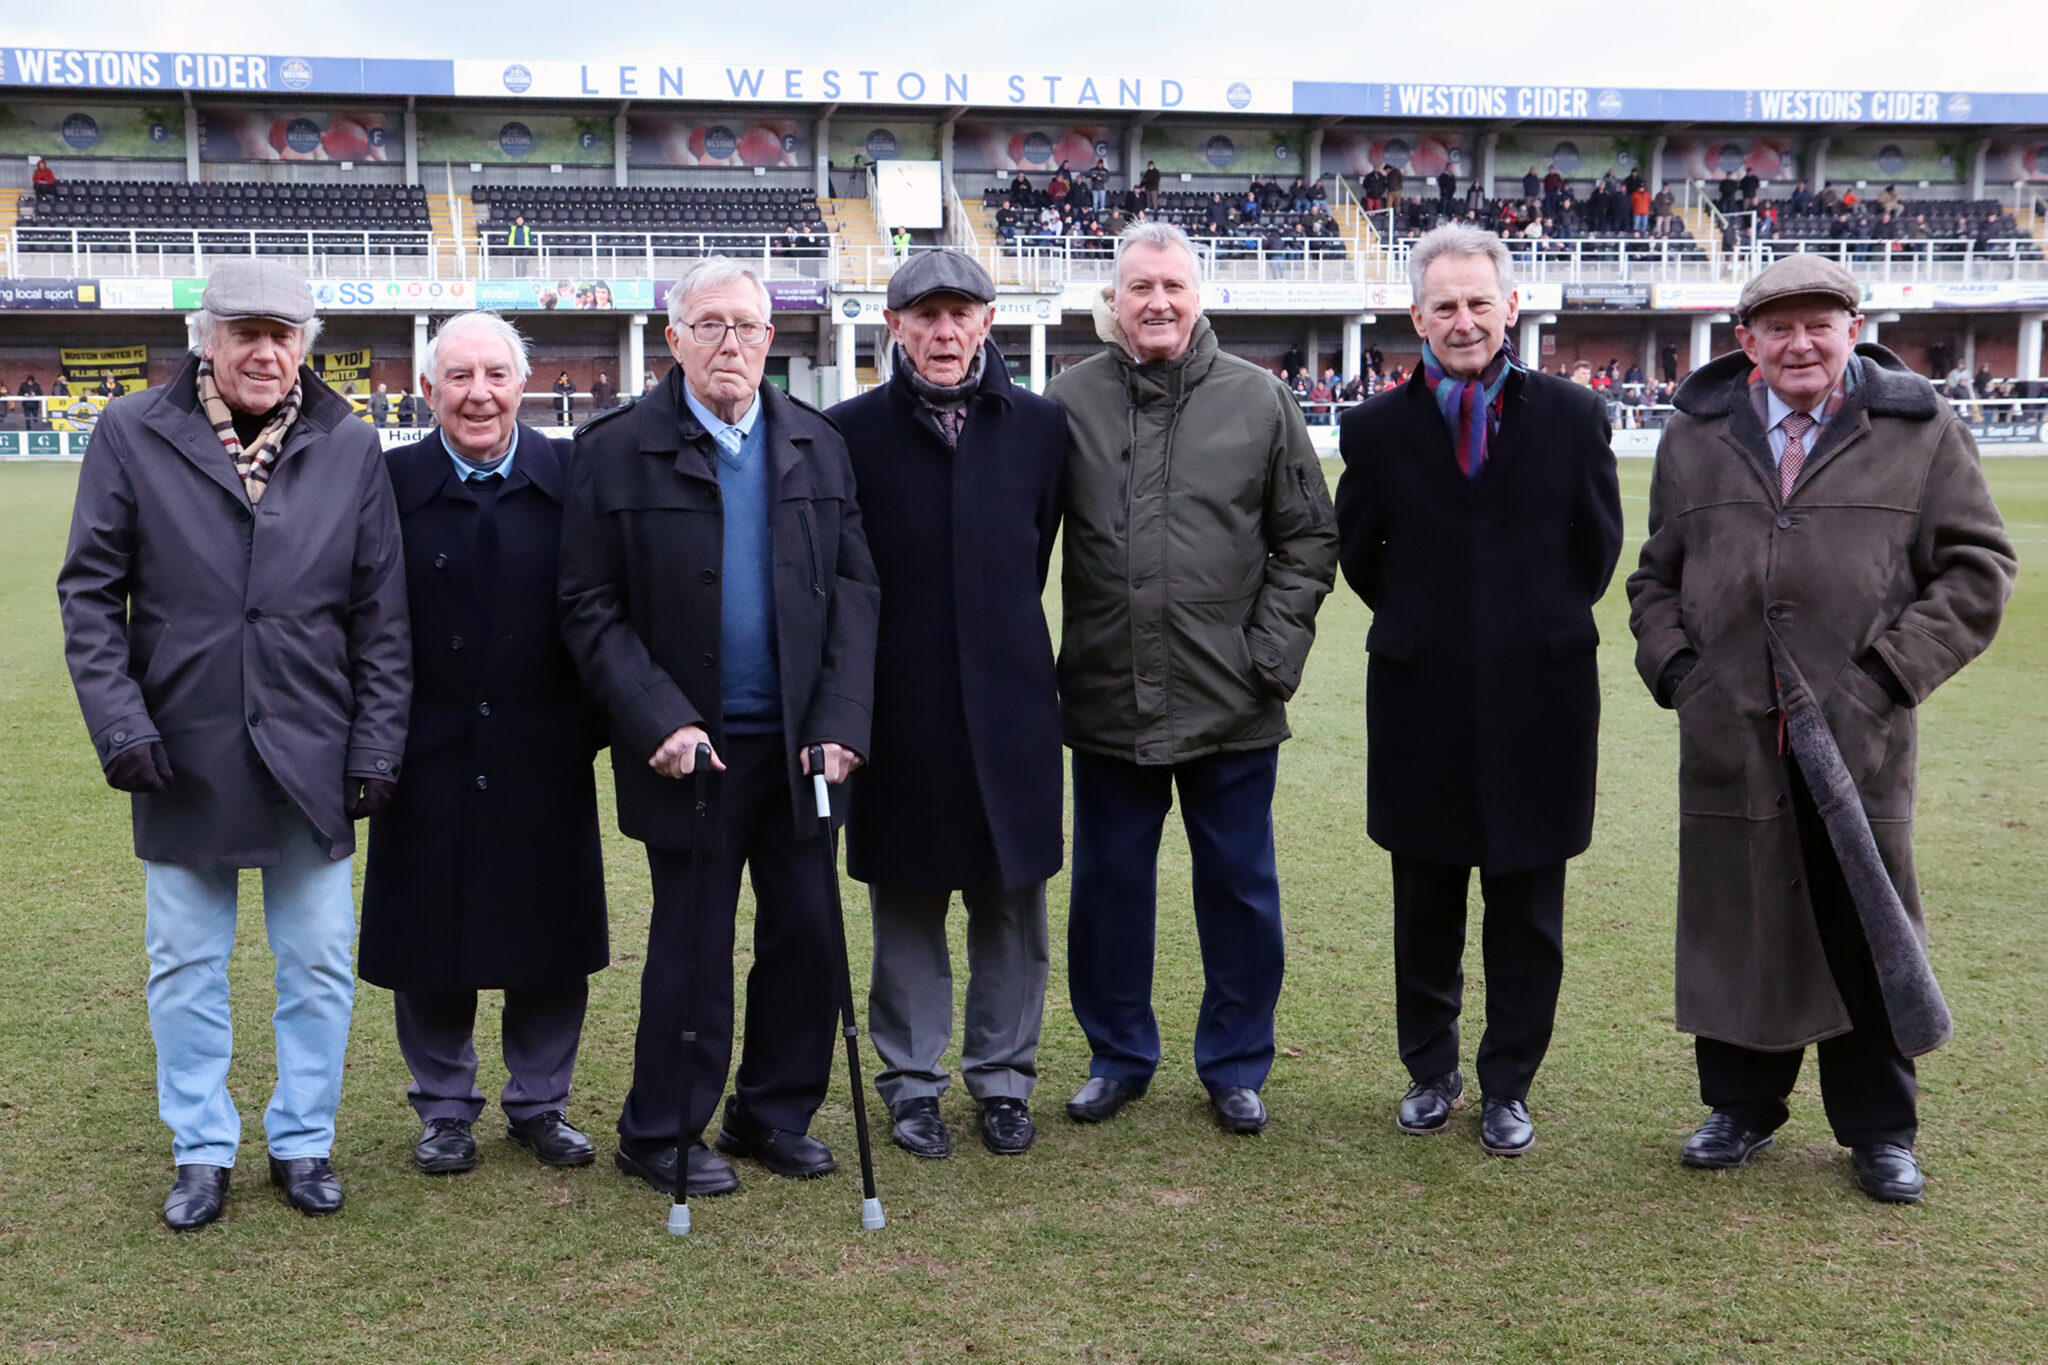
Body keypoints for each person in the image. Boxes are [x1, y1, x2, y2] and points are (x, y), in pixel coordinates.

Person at [1626, 255, 2016, 1204]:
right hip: (1730, 728)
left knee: (1863, 921)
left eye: (1819, 324)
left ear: (1853, 329)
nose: (1800, 343)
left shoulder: (1921, 429)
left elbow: (1977, 569)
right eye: (1779, 327)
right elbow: (1656, 576)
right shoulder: (1694, 434)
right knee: (1739, 916)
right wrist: (1681, 674)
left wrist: (1884, 678)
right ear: (1746, 341)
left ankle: (1880, 1127)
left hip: (1860, 732)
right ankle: (1741, 1106)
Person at [56, 258, 411, 1230]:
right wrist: (121, 722)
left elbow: (381, 615)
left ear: (305, 345)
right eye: (245, 332)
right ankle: (201, 1148)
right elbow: (90, 595)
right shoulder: (131, 431)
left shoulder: (350, 442)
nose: (264, 352)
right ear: (205, 338)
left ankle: (304, 1140)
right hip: (181, 749)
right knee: (184, 963)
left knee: (319, 960)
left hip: (312, 749)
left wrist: (376, 745)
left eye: (281, 335)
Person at [560, 257, 879, 1201]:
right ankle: (659, 1129)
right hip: (689, 751)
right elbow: (587, 603)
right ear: (674, 339)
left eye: (745, 325)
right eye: (709, 324)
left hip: (801, 746)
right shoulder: (614, 448)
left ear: (771, 339)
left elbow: (855, 591)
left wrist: (841, 718)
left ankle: (771, 1111)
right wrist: (658, 718)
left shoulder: (818, 442)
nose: (729, 341)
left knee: (809, 933)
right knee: (692, 948)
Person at [1334, 224, 1622, 1158]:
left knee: (1528, 905)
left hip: (1542, 696)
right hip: (1419, 696)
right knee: (1425, 899)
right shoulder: (1374, 430)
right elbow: (1361, 555)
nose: (1463, 321)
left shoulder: (1574, 416)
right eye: (1445, 306)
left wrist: (1522, 625)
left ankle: (1508, 1085)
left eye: (1478, 303)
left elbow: (1596, 550)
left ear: (1510, 307)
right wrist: (1432, 626)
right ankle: (1431, 1072)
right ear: (1416, 316)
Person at [1045, 222, 1338, 1136]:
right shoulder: (1068, 402)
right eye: (1141, 287)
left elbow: (1308, 538)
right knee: (1107, 890)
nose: (1158, 302)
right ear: (1115, 299)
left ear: (1198, 294)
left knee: (1240, 892)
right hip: (1109, 697)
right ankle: (1117, 1054)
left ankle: (1237, 1063)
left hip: (1232, 702)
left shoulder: (1260, 399)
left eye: (1173, 285)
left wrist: (1268, 657)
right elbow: (1017, 541)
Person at [825, 251, 1066, 1161]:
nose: (943, 331)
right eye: (924, 315)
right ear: (893, 326)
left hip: (1013, 705)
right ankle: (913, 1085)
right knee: (907, 903)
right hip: (900, 708)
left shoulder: (1040, 427)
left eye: (960, 313)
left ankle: (1003, 1081)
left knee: (1011, 904)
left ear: (987, 321)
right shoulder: (848, 431)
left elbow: (1036, 552)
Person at [359, 312, 609, 1178]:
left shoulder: (572, 475)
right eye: (458, 377)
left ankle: (541, 1101)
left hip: (545, 745)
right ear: (428, 390)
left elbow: (608, 606)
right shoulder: (389, 480)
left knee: (550, 931)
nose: (478, 394)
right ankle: (444, 1107)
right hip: (427, 744)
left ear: (523, 384)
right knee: (431, 932)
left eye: (495, 375)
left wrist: (587, 727)